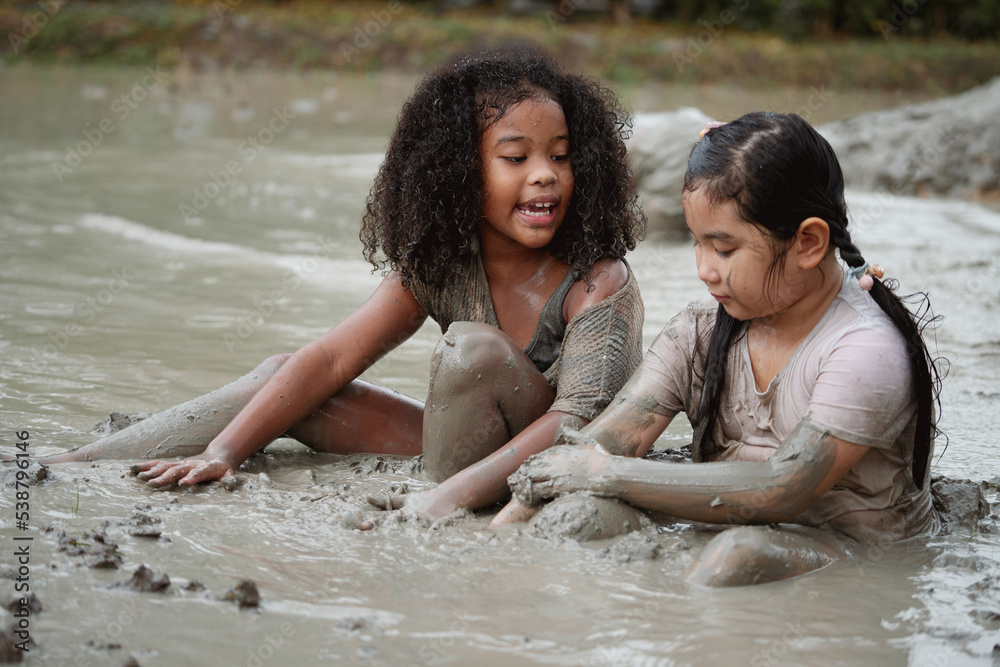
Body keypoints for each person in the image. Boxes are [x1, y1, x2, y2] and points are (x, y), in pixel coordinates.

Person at [43, 47, 646, 521]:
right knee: (285, 374)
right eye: (517, 158)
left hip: (541, 462)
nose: (546, 175)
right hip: (454, 450)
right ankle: (71, 464)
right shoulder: (441, 264)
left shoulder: (600, 282)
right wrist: (224, 453)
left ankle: (449, 490)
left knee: (474, 350)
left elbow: (577, 427)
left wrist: (451, 493)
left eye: (561, 156)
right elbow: (332, 358)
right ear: (458, 171)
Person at [503, 112, 943, 586]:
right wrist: (498, 535)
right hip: (722, 528)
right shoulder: (699, 329)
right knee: (580, 515)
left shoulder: (865, 350)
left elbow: (783, 487)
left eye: (724, 249)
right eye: (697, 244)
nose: (704, 270)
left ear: (809, 243)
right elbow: (598, 445)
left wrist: (607, 474)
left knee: (736, 556)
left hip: (855, 557)